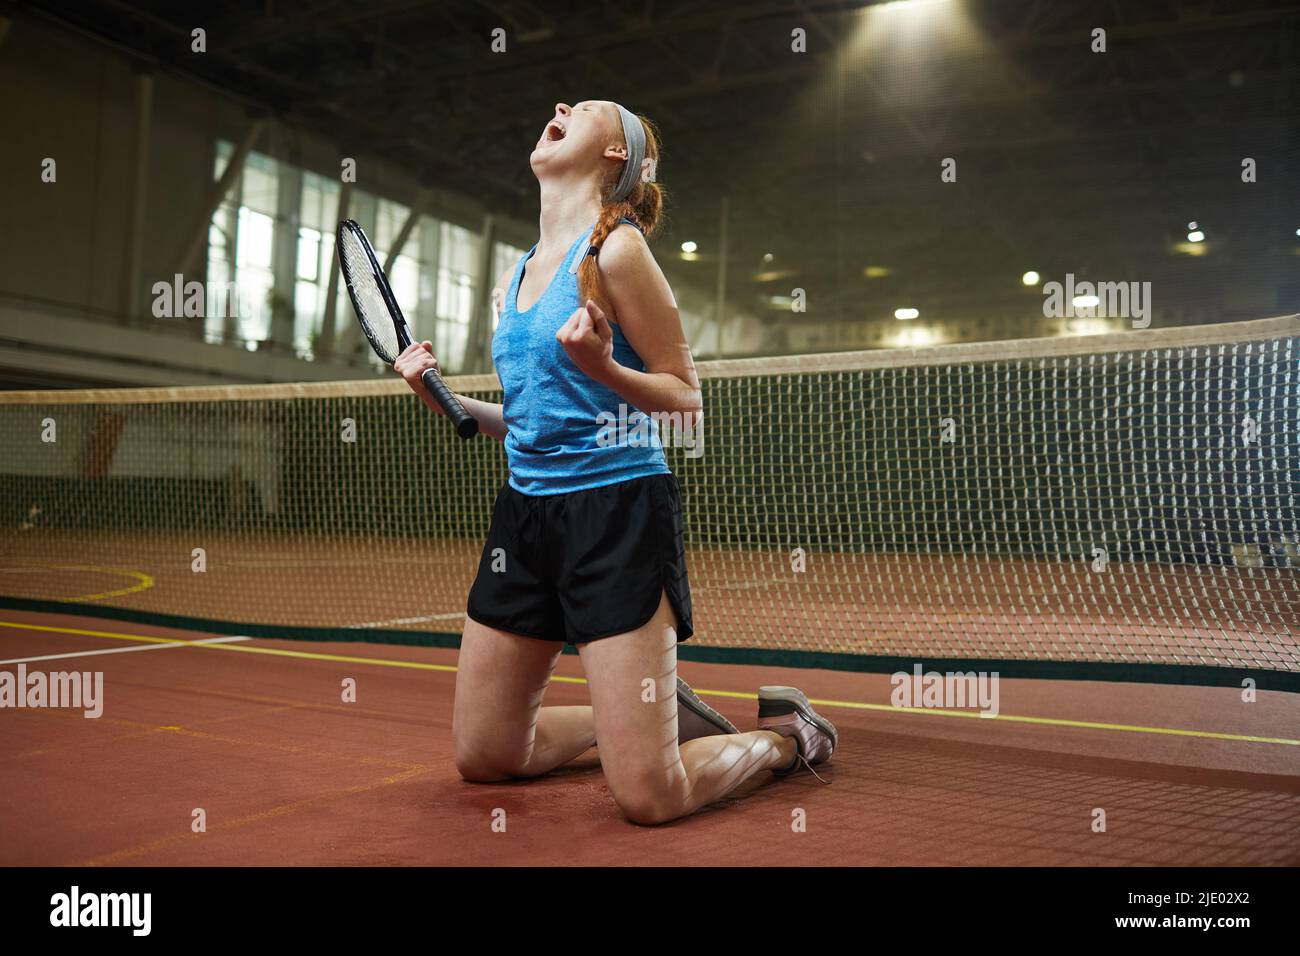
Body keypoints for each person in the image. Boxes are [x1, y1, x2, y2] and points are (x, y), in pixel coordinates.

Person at [394, 100, 835, 825]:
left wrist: (605, 369)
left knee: (650, 798)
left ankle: (789, 740)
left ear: (614, 158)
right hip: (526, 521)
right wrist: (439, 398)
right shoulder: (519, 274)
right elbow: (530, 421)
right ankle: (642, 721)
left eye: (587, 108)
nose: (560, 107)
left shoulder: (618, 252)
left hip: (618, 514)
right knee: (486, 757)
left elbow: (685, 402)